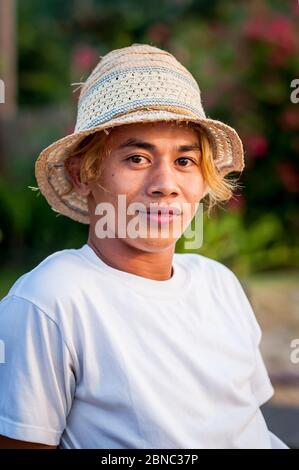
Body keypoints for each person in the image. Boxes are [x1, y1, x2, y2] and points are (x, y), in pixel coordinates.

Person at [0, 44, 288, 449]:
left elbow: (245, 427)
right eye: (136, 158)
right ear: (83, 174)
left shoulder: (218, 284)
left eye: (185, 161)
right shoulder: (51, 302)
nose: (165, 184)